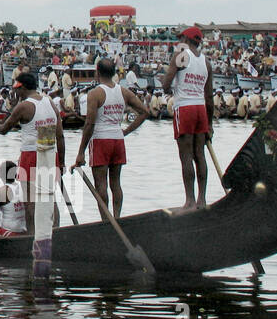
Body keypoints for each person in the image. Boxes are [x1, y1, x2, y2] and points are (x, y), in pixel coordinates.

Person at [0, 72, 64, 233]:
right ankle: (56, 232)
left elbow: (4, 129)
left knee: (30, 202)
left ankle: (32, 236)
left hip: (31, 155)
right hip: (49, 153)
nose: (15, 93)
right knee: (49, 199)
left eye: (17, 89)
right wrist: (62, 161)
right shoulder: (49, 103)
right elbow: (59, 136)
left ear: (23, 88)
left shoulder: (24, 106)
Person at [75, 58, 150, 218]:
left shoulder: (95, 93)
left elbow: (89, 124)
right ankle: (116, 217)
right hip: (117, 139)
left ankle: (106, 221)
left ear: (97, 72)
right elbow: (145, 112)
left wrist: (81, 152)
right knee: (116, 183)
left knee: (101, 184)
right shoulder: (123, 91)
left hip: (101, 140)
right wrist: (126, 132)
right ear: (114, 73)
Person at [161, 26, 213, 209]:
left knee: (186, 157)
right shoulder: (206, 62)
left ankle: (190, 200)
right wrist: (211, 125)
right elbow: (209, 98)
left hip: (184, 108)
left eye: (181, 38)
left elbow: (166, 85)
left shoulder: (180, 55)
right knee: (200, 155)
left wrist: (167, 86)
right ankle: (202, 199)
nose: (178, 42)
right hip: (200, 108)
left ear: (187, 39)